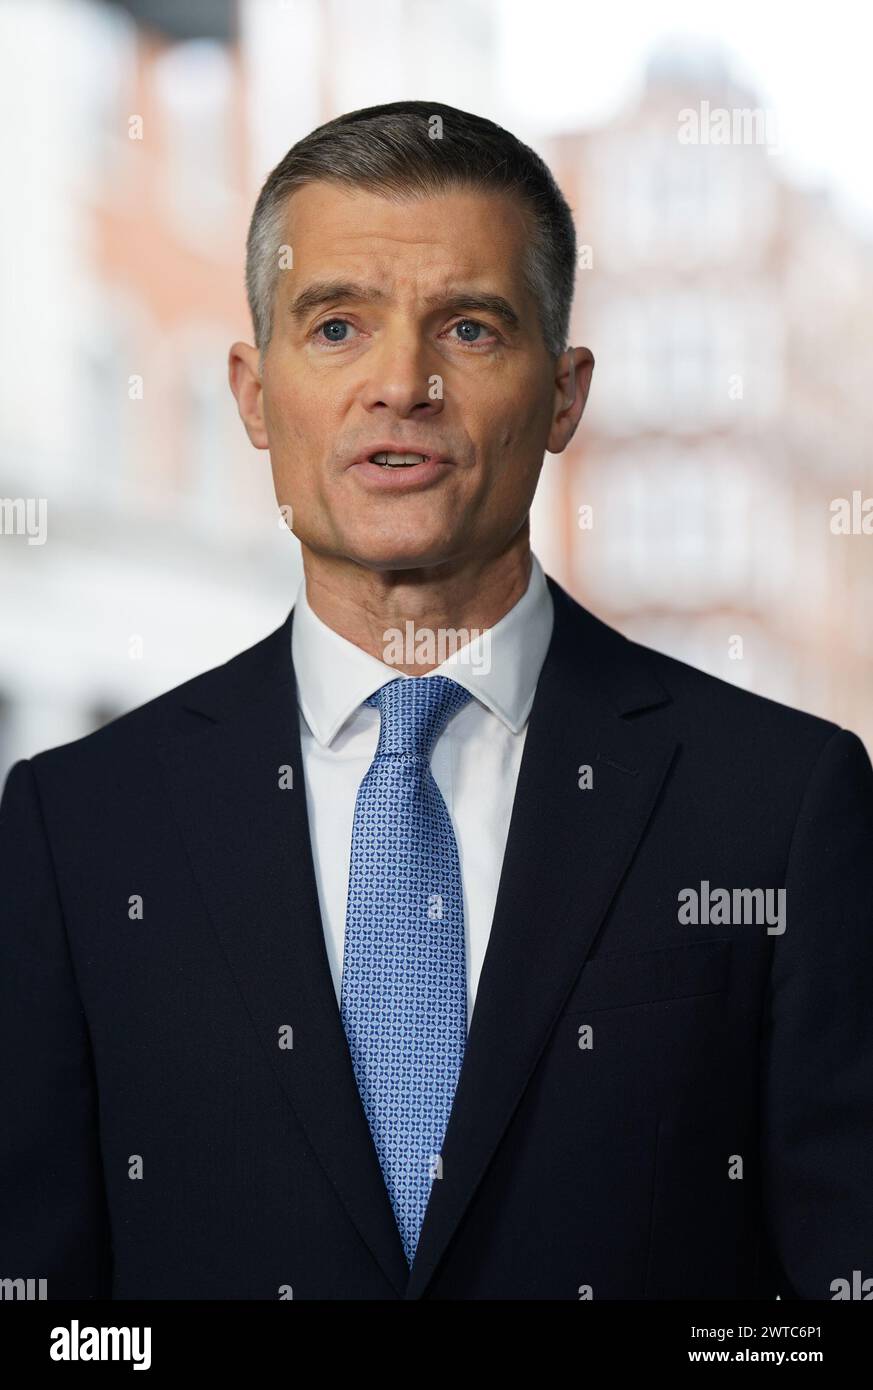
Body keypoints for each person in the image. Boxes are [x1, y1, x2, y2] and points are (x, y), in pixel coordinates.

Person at [1, 100, 871, 1301]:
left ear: (565, 395)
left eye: (468, 326)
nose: (400, 384)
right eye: (339, 324)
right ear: (254, 395)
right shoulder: (75, 826)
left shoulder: (780, 805)